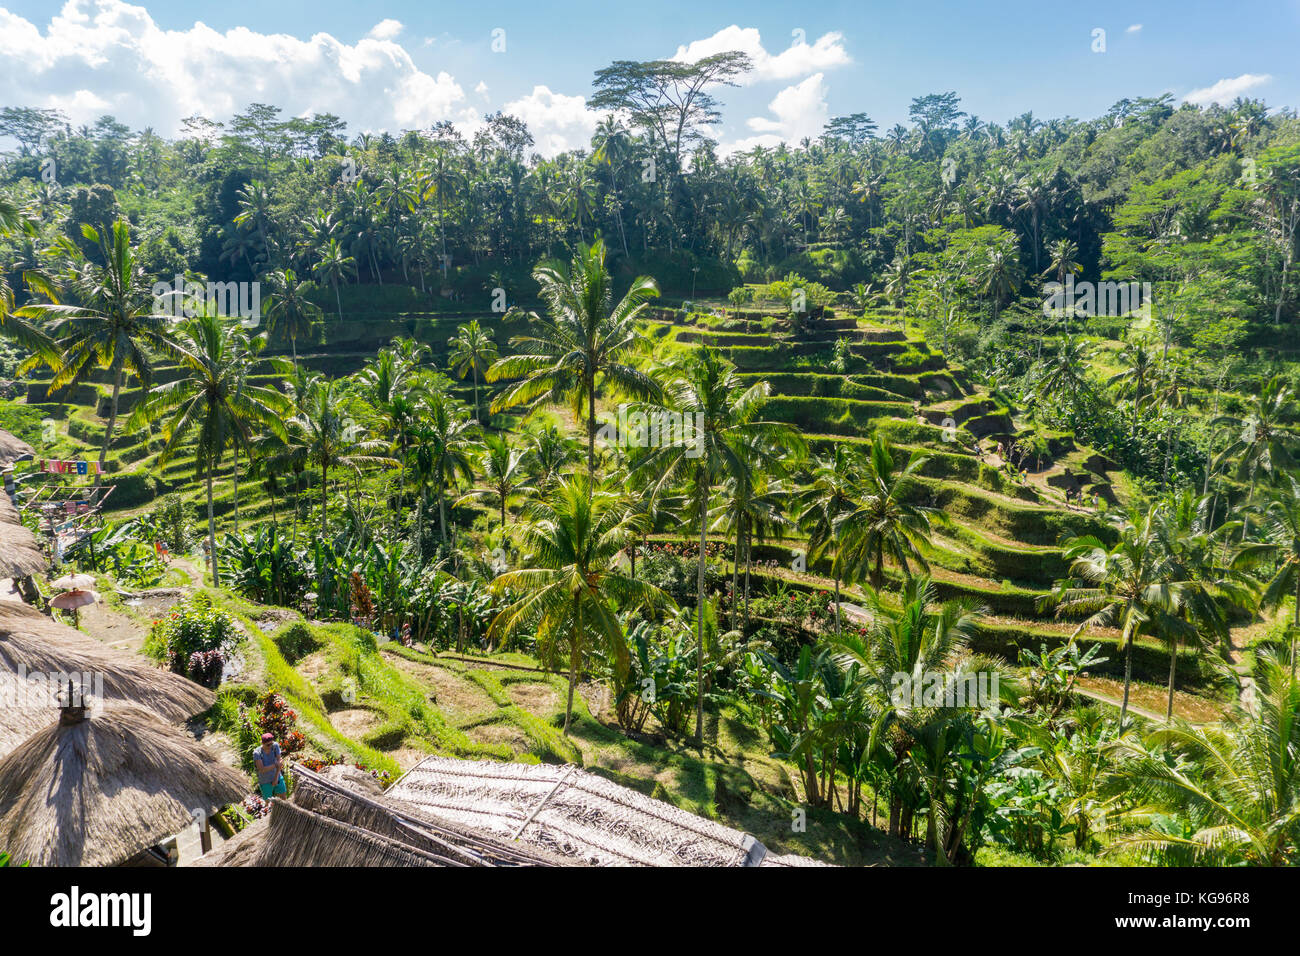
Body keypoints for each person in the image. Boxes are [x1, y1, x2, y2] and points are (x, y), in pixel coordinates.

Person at [253, 733, 287, 801]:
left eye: (271, 743)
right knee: (268, 802)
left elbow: (279, 763)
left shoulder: (275, 746)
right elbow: (262, 769)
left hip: (277, 777)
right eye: (268, 745)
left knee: (283, 799)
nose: (270, 746)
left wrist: (276, 778)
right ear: (262, 743)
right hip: (265, 781)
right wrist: (275, 765)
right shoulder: (257, 753)